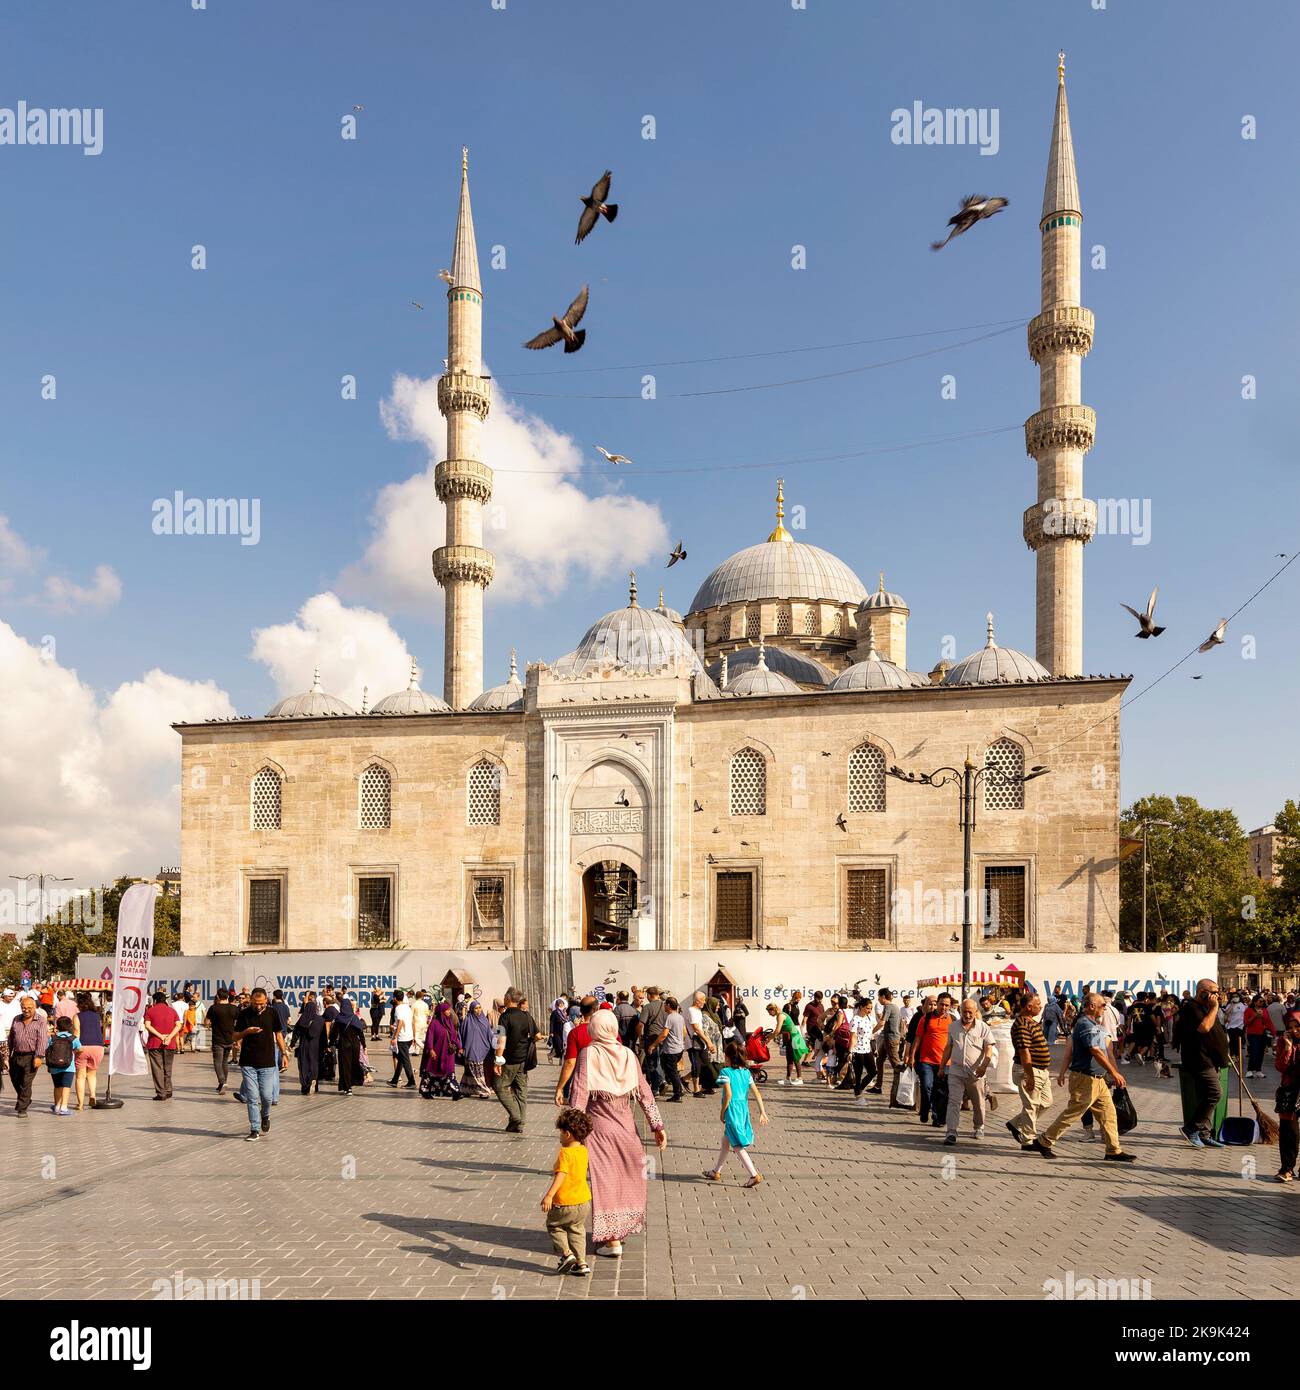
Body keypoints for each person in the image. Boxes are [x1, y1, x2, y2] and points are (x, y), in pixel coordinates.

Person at [569, 1009, 667, 1257]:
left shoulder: (588, 1054)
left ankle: (612, 1240)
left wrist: (571, 1134)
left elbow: (579, 1096)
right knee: (627, 1180)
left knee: (606, 1181)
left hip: (599, 1130)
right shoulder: (629, 1055)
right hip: (627, 1129)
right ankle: (617, 1234)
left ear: (594, 1029)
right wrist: (658, 1126)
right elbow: (645, 1094)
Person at [1030, 991, 1135, 1162]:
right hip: (1085, 1079)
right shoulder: (1085, 1024)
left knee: (1109, 1115)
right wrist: (1114, 1072)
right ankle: (1044, 1141)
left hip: (1098, 1081)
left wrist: (1114, 1074)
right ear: (1091, 1006)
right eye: (1102, 1005)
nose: (1105, 1008)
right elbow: (1094, 1051)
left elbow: (1106, 1053)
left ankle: (1113, 1150)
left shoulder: (1096, 1026)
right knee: (1072, 1114)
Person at [703, 1040, 768, 1186]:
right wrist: (762, 1112)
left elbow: (728, 1094)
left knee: (737, 1145)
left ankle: (753, 1174)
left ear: (728, 1057)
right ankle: (716, 1171)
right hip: (743, 1109)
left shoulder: (726, 1072)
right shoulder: (746, 1072)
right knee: (726, 1141)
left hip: (732, 1110)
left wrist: (722, 1111)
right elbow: (756, 1093)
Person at [1175, 978, 1230, 1149]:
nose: (1216, 995)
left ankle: (1204, 1133)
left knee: (1204, 1096)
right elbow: (1204, 1028)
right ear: (1202, 992)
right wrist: (1214, 1008)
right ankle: (1191, 1128)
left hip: (1212, 1059)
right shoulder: (1191, 1008)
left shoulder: (1206, 1007)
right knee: (1215, 1093)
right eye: (1213, 992)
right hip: (1199, 1060)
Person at [541, 1107, 594, 1277]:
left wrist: (549, 1195)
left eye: (560, 1133)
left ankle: (566, 1254)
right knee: (577, 1230)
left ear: (568, 1134)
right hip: (584, 1201)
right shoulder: (584, 1150)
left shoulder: (565, 1153)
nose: (559, 1137)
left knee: (554, 1226)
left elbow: (561, 1175)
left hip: (565, 1202)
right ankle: (582, 1263)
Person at [234, 988, 287, 1140]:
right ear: (251, 1000)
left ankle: (265, 1115)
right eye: (256, 1003)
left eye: (262, 1003)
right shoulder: (244, 1014)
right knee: (252, 1096)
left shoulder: (272, 1013)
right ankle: (255, 1129)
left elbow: (278, 1034)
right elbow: (234, 1035)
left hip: (267, 1062)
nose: (258, 1006)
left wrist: (284, 1054)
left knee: (266, 1096)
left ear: (266, 1001)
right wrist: (246, 1032)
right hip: (248, 1062)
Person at [940, 997, 992, 1145]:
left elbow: (989, 1048)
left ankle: (979, 1127)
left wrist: (984, 1065)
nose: (967, 1015)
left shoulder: (983, 1028)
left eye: (970, 1012)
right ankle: (951, 1132)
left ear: (975, 1012)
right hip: (956, 1071)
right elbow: (949, 1047)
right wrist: (942, 1066)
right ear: (960, 1011)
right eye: (964, 1012)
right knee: (954, 1101)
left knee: (978, 1102)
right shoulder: (953, 1027)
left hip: (976, 1073)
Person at [1006, 992, 1053, 1149]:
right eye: (1038, 1004)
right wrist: (1029, 1076)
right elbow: (1024, 1052)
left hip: (1041, 1071)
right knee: (1031, 1106)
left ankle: (1015, 1124)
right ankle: (1028, 1140)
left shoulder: (1031, 1021)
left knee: (1046, 1102)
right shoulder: (1022, 1025)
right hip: (1030, 1070)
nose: (1040, 1006)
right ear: (1029, 1006)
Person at [493, 988, 541, 1133]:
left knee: (499, 1086)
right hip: (523, 1060)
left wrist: (498, 1060)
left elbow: (500, 1039)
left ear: (508, 998)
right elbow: (538, 1035)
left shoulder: (504, 1017)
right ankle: (518, 1124)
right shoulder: (527, 1016)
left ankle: (516, 1116)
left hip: (509, 1060)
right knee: (521, 1091)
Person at [909, 994, 951, 1126]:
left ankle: (937, 1117)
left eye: (946, 1005)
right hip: (926, 1060)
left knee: (941, 1092)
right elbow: (918, 1038)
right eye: (941, 1004)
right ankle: (925, 1108)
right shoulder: (926, 1018)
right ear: (937, 1003)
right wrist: (911, 1056)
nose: (943, 1007)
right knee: (927, 1087)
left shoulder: (953, 1020)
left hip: (945, 1063)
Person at [7, 995, 48, 1117]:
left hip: (31, 1056)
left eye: (29, 1007)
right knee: (15, 1081)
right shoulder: (16, 1019)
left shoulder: (40, 1020)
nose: (26, 1010)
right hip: (16, 1055)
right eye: (24, 1008)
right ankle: (25, 1099)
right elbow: (11, 1037)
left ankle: (22, 1108)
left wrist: (39, 1056)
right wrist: (7, 1055)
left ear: (34, 1007)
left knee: (26, 1082)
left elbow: (42, 1039)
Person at [1273, 1010, 1300, 1183]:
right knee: (1289, 1132)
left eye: (1297, 1026)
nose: (1294, 1030)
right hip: (1290, 1090)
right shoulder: (1284, 1042)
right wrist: (1289, 1048)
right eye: (1291, 1027)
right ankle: (1287, 1168)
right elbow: (1280, 1066)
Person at [555, 996, 598, 1104]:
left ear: (581, 1011)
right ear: (596, 1009)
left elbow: (570, 1063)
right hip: (605, 1084)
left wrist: (559, 1088)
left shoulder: (575, 1033)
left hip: (582, 1083)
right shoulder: (608, 1030)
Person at [419, 999, 462, 1099]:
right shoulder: (434, 1023)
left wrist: (459, 1047)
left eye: (449, 1010)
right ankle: (425, 1091)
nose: (449, 1012)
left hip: (448, 1053)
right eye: (447, 1010)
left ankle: (455, 1092)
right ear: (441, 1012)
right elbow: (429, 1037)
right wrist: (430, 1049)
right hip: (436, 1053)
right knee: (432, 1072)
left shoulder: (450, 1022)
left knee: (450, 1072)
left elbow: (454, 1037)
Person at [142, 991, 181, 1101]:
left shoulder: (150, 1011)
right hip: (170, 1043)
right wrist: (168, 1037)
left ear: (155, 1000)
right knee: (167, 1068)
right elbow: (178, 1025)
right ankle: (168, 1090)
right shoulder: (172, 1011)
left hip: (155, 1043)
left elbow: (147, 1025)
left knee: (157, 1068)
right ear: (165, 1000)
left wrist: (160, 1036)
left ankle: (161, 1093)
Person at [871, 989, 905, 1104]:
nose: (878, 999)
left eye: (879, 996)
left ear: (883, 996)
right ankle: (878, 1086)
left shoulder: (889, 1007)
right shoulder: (895, 1007)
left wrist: (871, 1032)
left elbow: (881, 1022)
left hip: (890, 1040)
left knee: (896, 1065)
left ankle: (902, 1090)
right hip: (888, 1039)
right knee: (879, 1061)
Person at [73, 992, 105, 1111]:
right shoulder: (97, 1016)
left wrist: (75, 1047)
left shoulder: (77, 1016)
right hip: (98, 1047)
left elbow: (77, 1032)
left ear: (79, 1004)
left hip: (83, 1047)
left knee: (80, 1077)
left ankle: (80, 1104)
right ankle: (92, 1095)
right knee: (92, 1074)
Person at [204, 988, 238, 1094]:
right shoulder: (234, 1008)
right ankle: (222, 1084)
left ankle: (222, 1082)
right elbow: (238, 1023)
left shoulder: (214, 1008)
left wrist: (209, 1023)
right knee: (224, 1062)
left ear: (218, 997)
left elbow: (206, 1022)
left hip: (218, 1040)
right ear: (228, 996)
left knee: (217, 1062)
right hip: (230, 1039)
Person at [653, 996, 688, 1102]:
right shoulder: (679, 1016)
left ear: (668, 1005)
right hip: (678, 1048)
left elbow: (664, 1034)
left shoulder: (670, 1017)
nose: (664, 1006)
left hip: (671, 1049)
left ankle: (678, 1093)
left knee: (671, 1072)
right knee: (671, 1070)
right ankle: (676, 1089)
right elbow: (683, 1032)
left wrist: (653, 1044)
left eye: (665, 1004)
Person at [458, 1000, 495, 1098]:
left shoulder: (484, 1020)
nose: (478, 1010)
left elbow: (489, 1034)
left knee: (474, 1071)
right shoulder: (467, 1021)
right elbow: (461, 1035)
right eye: (476, 1008)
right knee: (471, 1071)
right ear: (472, 1009)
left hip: (482, 1050)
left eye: (479, 1007)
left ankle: (465, 1089)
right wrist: (460, 1047)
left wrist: (495, 1045)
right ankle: (482, 1090)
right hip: (470, 1050)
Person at [45, 1015, 79, 1114]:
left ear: (57, 1026)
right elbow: (80, 1048)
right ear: (70, 1026)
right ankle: (64, 1108)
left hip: (54, 1066)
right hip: (68, 1066)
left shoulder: (53, 1038)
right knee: (66, 1086)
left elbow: (47, 1048)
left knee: (57, 1086)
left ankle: (57, 1106)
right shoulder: (73, 1038)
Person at [767, 1001, 807, 1084]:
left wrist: (769, 1039)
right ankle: (788, 1078)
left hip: (794, 1038)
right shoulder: (779, 1015)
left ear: (773, 1010)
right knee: (789, 1058)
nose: (769, 1014)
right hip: (790, 1039)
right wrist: (770, 1036)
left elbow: (777, 1031)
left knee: (795, 1058)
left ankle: (800, 1078)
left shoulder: (781, 1016)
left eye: (769, 1011)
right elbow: (780, 1030)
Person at [332, 998, 365, 1094]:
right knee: (354, 1064)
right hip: (355, 1045)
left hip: (344, 1045)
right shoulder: (354, 1017)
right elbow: (361, 1033)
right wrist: (364, 1045)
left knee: (345, 1066)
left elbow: (334, 1033)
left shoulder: (339, 1018)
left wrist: (330, 1044)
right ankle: (354, 1082)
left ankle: (347, 1087)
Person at [292, 998, 324, 1095]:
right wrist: (324, 1047)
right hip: (316, 1046)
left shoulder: (302, 1019)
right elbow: (323, 1035)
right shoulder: (321, 1020)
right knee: (314, 1064)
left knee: (304, 1065)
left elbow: (296, 1032)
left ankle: (305, 1085)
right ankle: (313, 1079)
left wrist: (292, 1044)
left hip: (304, 1045)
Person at [637, 986, 667, 1091]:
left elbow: (641, 1024)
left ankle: (656, 1087)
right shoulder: (665, 1006)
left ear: (649, 995)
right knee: (658, 1062)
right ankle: (659, 1083)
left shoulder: (648, 1007)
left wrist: (640, 1037)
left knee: (651, 1064)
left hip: (651, 1037)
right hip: (663, 1037)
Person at [848, 998, 877, 1102]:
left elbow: (873, 1032)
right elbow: (853, 1037)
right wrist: (850, 1051)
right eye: (867, 1008)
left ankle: (859, 1089)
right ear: (861, 1007)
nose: (869, 1010)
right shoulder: (855, 1019)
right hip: (857, 1050)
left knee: (873, 1072)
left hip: (867, 1049)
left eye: (871, 1008)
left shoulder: (869, 1018)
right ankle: (858, 1096)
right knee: (858, 1074)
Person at [388, 990, 416, 1088]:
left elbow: (400, 1022)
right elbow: (413, 1022)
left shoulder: (398, 1008)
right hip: (409, 1036)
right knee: (401, 1058)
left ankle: (411, 1082)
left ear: (395, 998)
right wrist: (414, 1036)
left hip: (402, 1038)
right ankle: (395, 1080)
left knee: (405, 1060)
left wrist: (395, 1036)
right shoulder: (407, 1007)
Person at [1244, 995, 1273, 1077]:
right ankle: (1250, 1070)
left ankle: (1258, 1070)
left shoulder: (1265, 1010)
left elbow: (1269, 1022)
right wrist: (1255, 1015)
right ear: (1255, 1002)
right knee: (1254, 1051)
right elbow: (1246, 1023)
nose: (1262, 1003)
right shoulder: (1249, 1010)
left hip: (1263, 1033)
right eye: (1260, 1001)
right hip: (1252, 1034)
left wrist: (1274, 1033)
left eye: (1263, 1001)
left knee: (1261, 1052)